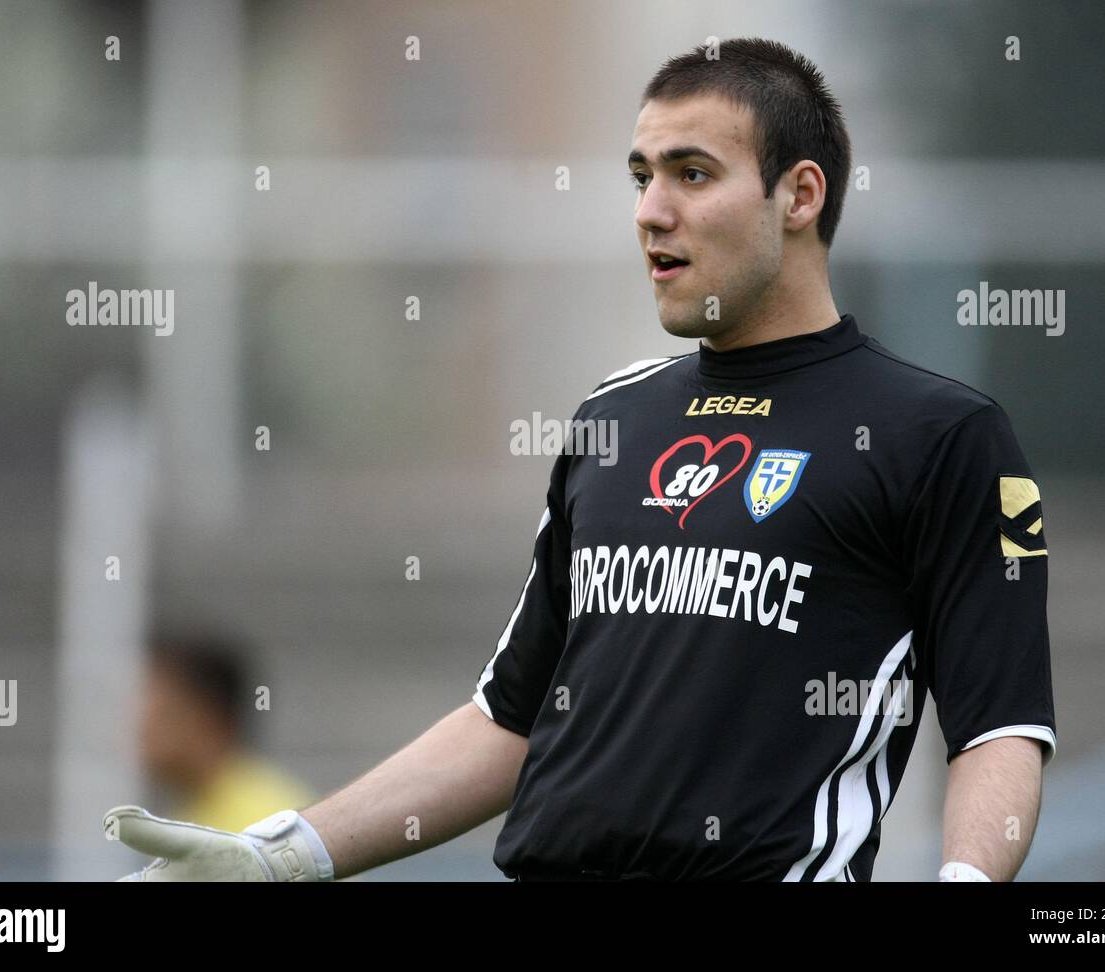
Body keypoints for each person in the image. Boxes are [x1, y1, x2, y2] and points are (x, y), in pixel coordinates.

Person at [106, 37, 1055, 883]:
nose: (650, 211)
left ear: (799, 194)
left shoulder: (937, 433)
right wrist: (284, 857)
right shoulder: (616, 416)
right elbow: (507, 719)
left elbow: (1000, 726)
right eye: (640, 175)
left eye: (691, 174)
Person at [135, 632, 314, 834]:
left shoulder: (263, 821)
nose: (140, 726)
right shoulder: (196, 805)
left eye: (163, 713)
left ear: (206, 717)